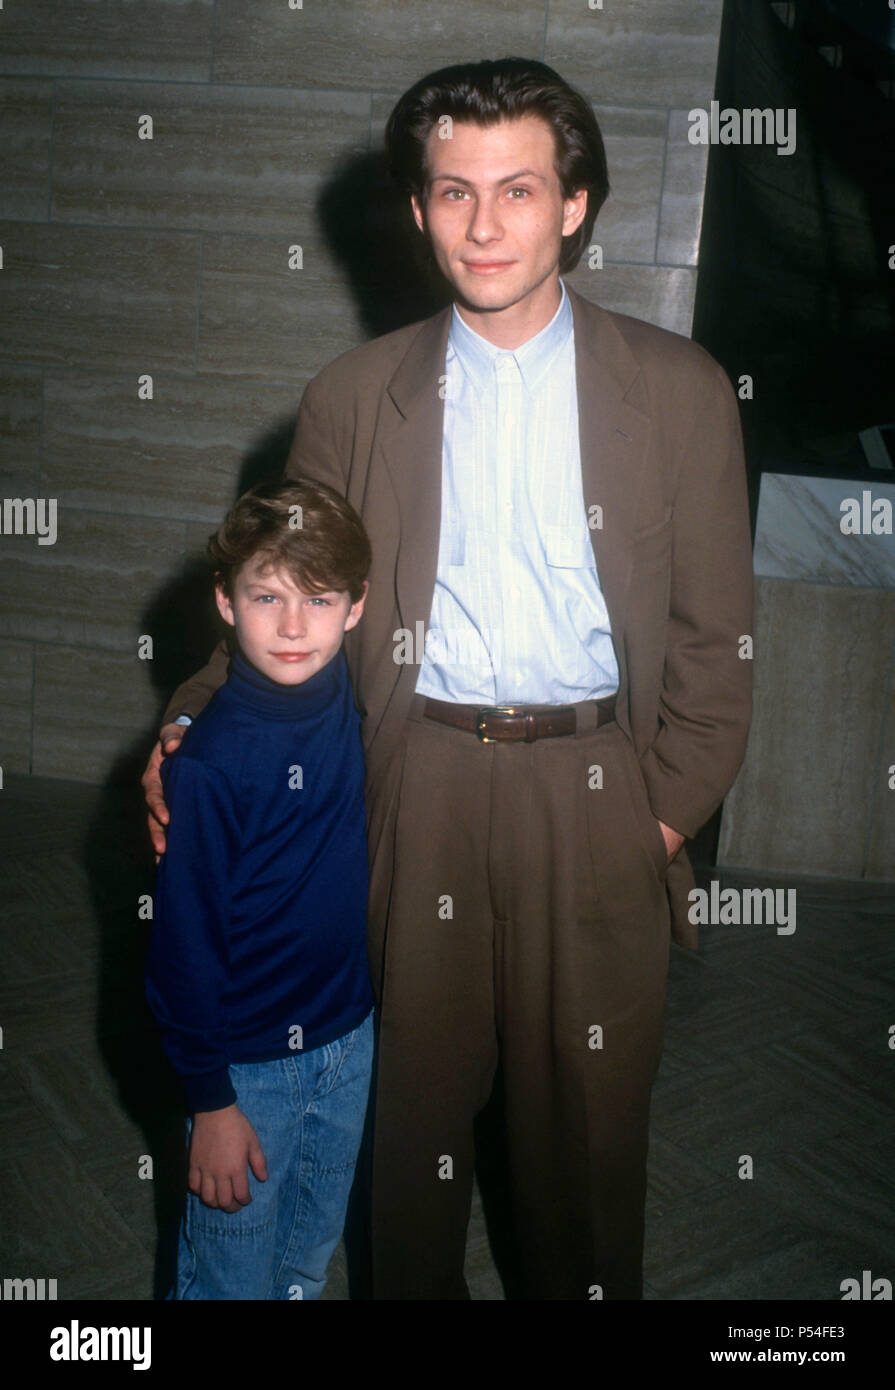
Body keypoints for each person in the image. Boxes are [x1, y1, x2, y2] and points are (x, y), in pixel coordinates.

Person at [143, 57, 753, 1300]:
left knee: (584, 1152)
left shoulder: (681, 393)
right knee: (405, 1153)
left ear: (574, 204)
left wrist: (657, 815)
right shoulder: (353, 398)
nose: (485, 225)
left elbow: (715, 638)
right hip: (404, 789)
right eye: (453, 193)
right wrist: (191, 721)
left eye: (519, 190)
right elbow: (280, 604)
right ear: (416, 211)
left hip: (598, 790)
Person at [145, 477, 375, 1300]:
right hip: (246, 1070)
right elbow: (182, 950)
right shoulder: (208, 766)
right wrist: (210, 1103)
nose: (290, 626)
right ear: (224, 603)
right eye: (265, 596)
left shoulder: (350, 695)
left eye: (316, 599)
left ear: (355, 609)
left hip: (348, 1041)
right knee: (227, 1283)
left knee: (305, 1266)